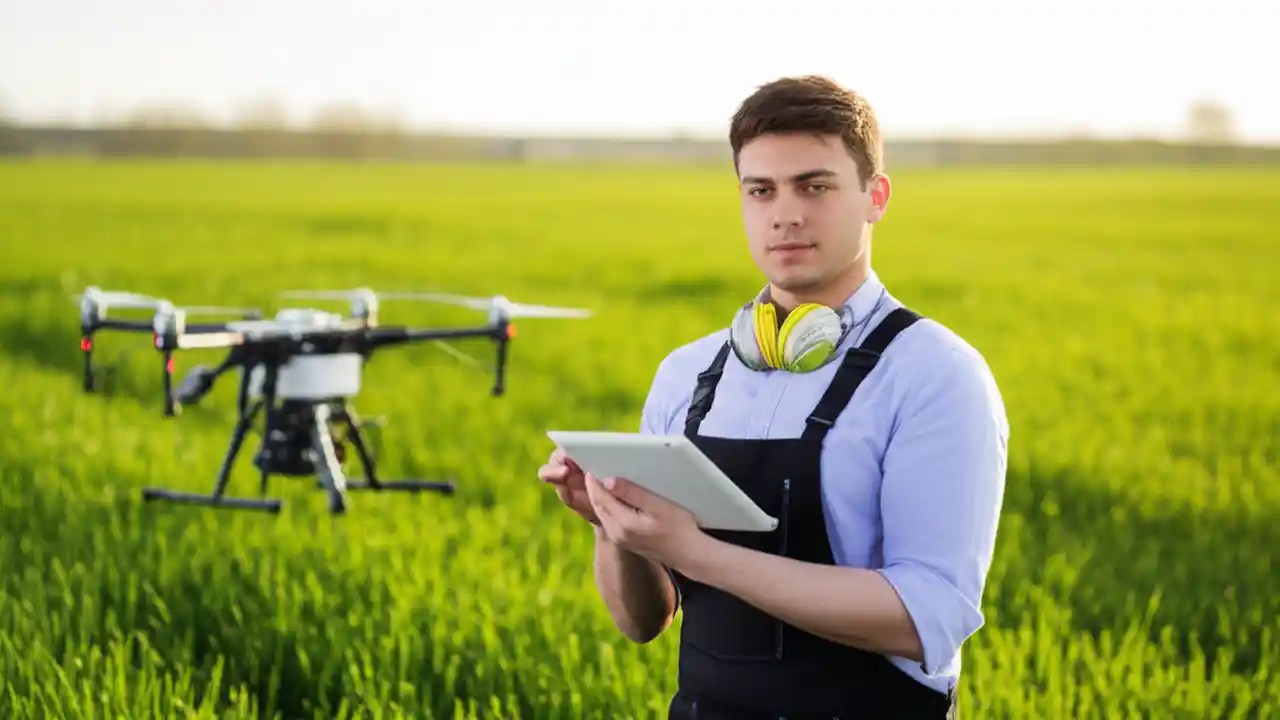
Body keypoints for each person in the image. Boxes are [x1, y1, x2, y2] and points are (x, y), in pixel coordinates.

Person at [538, 75, 1008, 719]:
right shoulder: (687, 374)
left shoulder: (934, 373)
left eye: (814, 186)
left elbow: (923, 617)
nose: (785, 213)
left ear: (876, 196)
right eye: (761, 190)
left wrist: (694, 550)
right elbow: (643, 622)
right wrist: (614, 525)